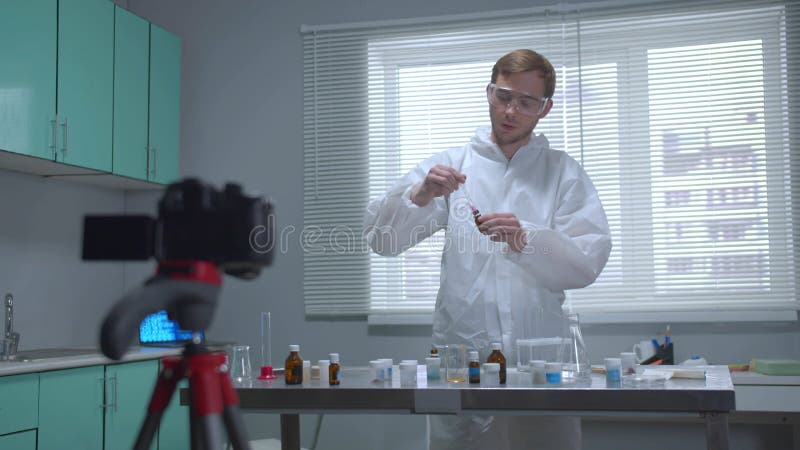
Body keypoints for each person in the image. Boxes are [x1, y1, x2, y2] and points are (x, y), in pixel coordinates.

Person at [364, 49, 612, 450]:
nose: (511, 110)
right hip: (465, 358)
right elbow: (383, 239)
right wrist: (421, 194)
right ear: (489, 93)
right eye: (503, 96)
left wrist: (527, 240)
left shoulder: (563, 173)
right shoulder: (451, 166)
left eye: (526, 101)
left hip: (540, 363)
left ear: (545, 108)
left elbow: (586, 264)